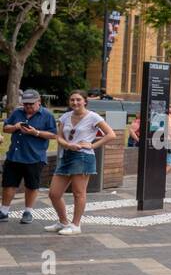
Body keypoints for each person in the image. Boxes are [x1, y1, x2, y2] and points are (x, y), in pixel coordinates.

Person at [46, 90, 114, 235]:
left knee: (78, 193)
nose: (75, 103)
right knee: (54, 193)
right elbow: (59, 137)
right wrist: (68, 145)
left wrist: (92, 145)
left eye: (78, 100)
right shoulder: (65, 117)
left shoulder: (93, 117)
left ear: (85, 101)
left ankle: (76, 225)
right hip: (66, 155)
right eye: (72, 100)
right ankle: (63, 222)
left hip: (83, 156)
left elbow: (111, 134)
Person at [1, 89, 57, 225]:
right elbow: (5, 128)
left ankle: (28, 212)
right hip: (14, 156)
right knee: (8, 184)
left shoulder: (47, 115)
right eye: (25, 104)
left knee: (31, 186)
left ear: (39, 102)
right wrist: (15, 127)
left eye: (31, 104)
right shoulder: (17, 112)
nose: (28, 106)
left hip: (35, 157)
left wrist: (35, 132)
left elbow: (54, 135)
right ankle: (3, 211)